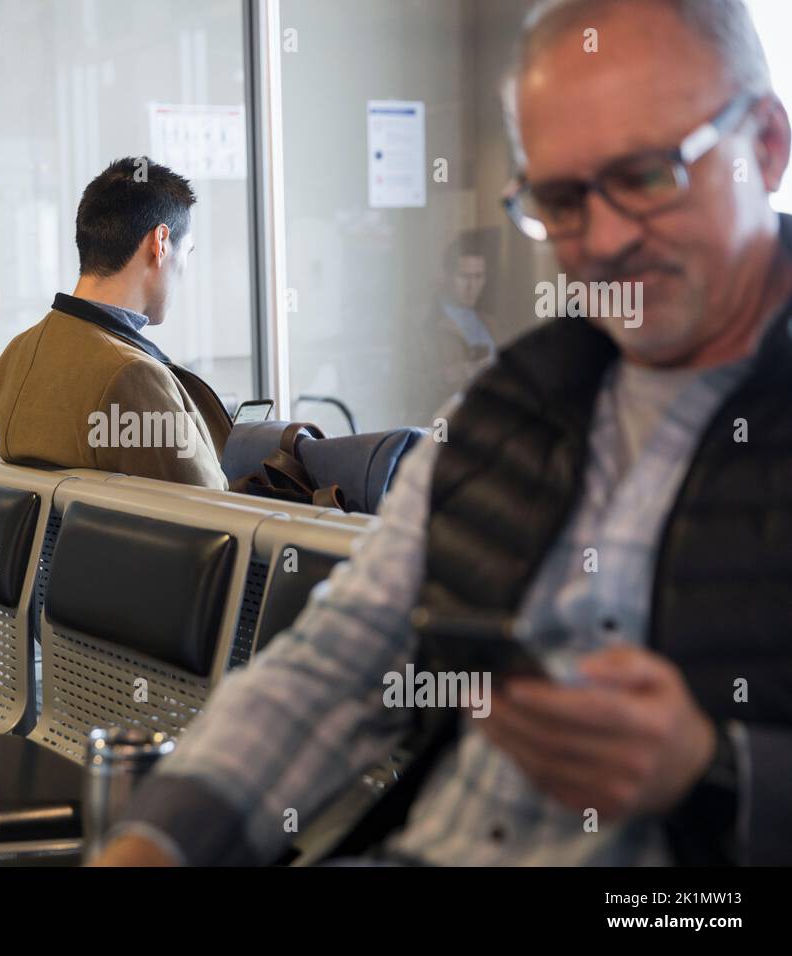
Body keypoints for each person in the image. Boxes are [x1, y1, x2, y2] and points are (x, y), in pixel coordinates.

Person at [93, 0, 792, 867]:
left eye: (649, 175)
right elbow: (339, 664)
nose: (604, 240)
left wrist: (716, 771)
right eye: (562, 199)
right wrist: (157, 842)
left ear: (766, 146)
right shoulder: (515, 405)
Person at [0, 157, 232, 488]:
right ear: (160, 243)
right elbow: (212, 510)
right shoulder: (133, 377)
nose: (184, 271)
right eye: (186, 253)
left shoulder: (13, 358)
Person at [420, 233, 498, 416]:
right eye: (464, 276)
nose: (472, 286)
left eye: (478, 277)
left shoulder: (491, 322)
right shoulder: (425, 322)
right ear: (447, 277)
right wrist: (453, 375)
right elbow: (408, 387)